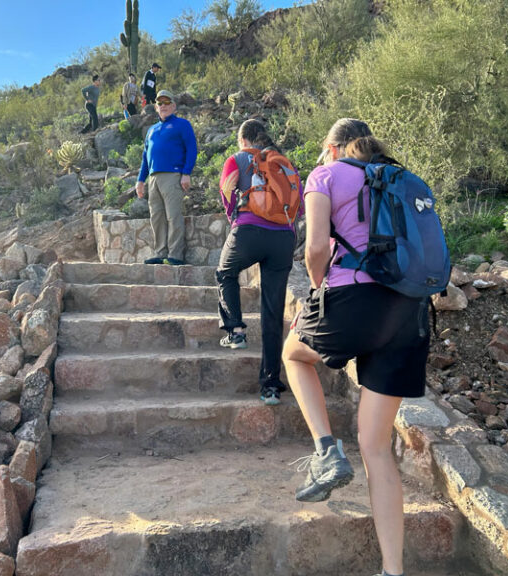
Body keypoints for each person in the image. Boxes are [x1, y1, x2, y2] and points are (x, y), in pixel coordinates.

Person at [281, 118, 429, 576]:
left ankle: (326, 450)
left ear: (332, 147)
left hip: (353, 298)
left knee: (292, 354)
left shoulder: (325, 173)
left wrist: (319, 289)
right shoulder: (402, 178)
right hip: (411, 310)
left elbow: (314, 250)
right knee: (376, 446)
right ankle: (392, 570)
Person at [216, 119, 302, 406]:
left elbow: (227, 191)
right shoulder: (284, 163)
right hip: (283, 239)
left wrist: (235, 219)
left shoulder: (238, 159)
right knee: (273, 310)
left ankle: (236, 330)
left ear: (243, 140)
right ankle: (270, 387)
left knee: (225, 272)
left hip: (249, 232)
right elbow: (297, 204)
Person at [135, 90, 197, 266]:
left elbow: (191, 149)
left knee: (173, 215)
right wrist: (140, 180)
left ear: (173, 106)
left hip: (173, 175)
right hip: (153, 178)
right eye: (160, 103)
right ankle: (160, 252)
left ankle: (175, 255)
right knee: (157, 216)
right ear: (156, 107)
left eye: (166, 102)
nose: (163, 106)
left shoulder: (182, 125)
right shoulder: (151, 130)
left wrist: (186, 173)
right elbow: (145, 157)